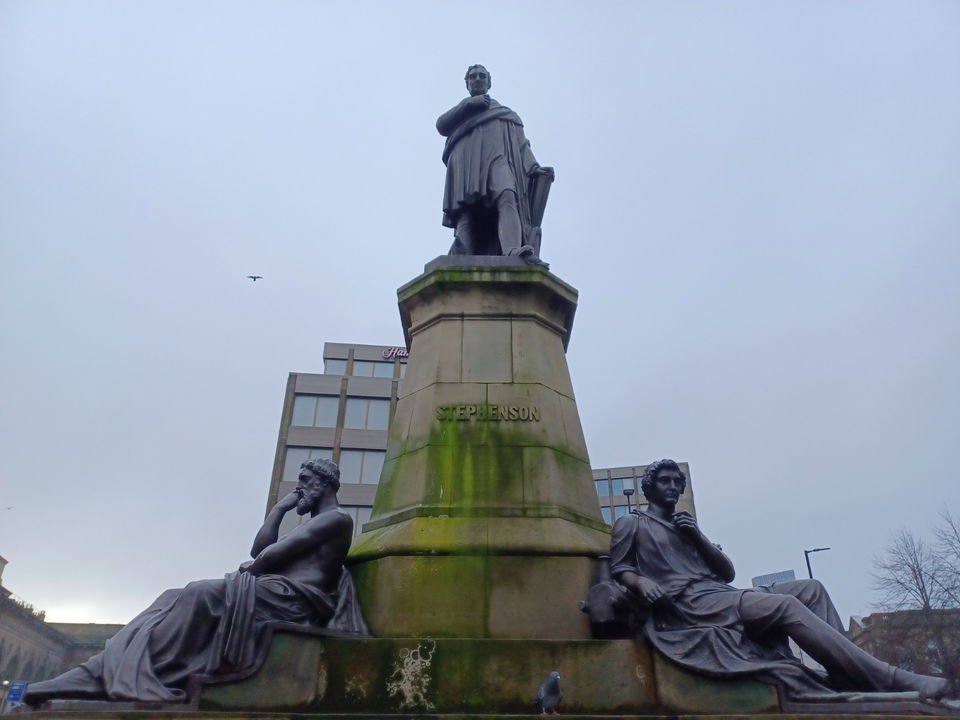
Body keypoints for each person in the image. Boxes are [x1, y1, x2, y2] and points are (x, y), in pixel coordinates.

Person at [24, 458, 367, 705]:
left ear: (322, 484)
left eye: (304, 481)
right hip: (272, 592)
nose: (299, 489)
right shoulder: (311, 521)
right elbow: (260, 549)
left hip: (293, 601)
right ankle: (103, 670)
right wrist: (279, 510)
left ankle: (143, 674)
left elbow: (268, 559)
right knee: (172, 596)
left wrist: (254, 567)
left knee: (201, 593)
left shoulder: (336, 520)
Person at [609, 459, 950, 700]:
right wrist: (642, 584)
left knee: (810, 589)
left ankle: (849, 677)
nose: (671, 487)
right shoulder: (632, 523)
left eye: (676, 482)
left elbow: (727, 572)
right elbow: (620, 568)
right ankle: (888, 678)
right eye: (664, 481)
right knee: (785, 605)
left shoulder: (687, 526)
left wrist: (697, 535)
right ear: (649, 487)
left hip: (721, 592)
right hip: (692, 604)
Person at [437, 64, 553, 259]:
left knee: (508, 195)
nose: (478, 79)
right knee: (467, 216)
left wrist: (534, 168)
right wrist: (468, 104)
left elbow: (522, 145)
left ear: (489, 81)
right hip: (467, 166)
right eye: (473, 76)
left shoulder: (505, 115)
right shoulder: (461, 113)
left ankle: (512, 250)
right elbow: (441, 125)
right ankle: (462, 256)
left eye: (482, 76)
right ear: (467, 83)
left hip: (498, 161)